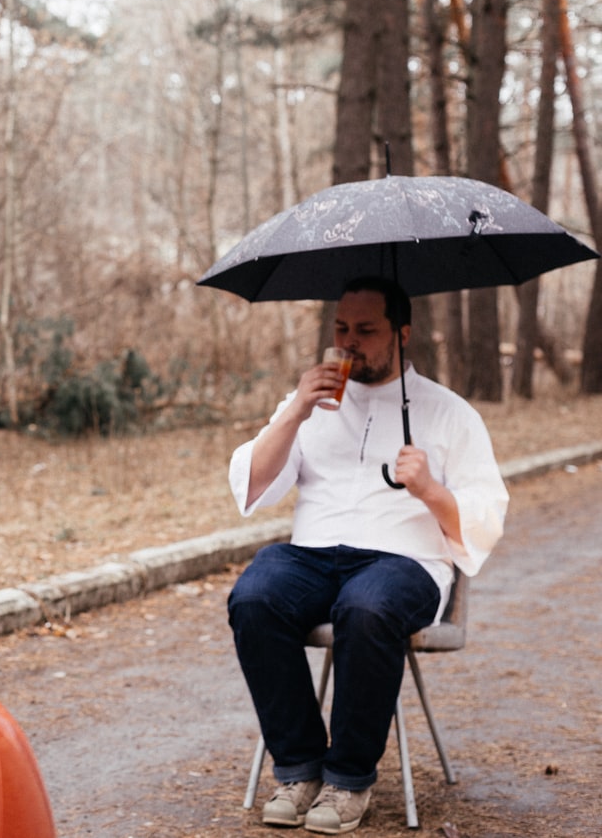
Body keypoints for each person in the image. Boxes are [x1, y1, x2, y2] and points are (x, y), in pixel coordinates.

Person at [225, 276, 508, 834]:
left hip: (404, 564)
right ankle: (301, 768)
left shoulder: (450, 414)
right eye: (341, 329)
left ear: (402, 334)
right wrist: (294, 412)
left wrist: (430, 489)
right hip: (311, 556)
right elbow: (253, 488)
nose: (349, 343)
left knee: (367, 606)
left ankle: (349, 779)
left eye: (366, 331)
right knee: (254, 595)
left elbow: (486, 517)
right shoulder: (310, 402)